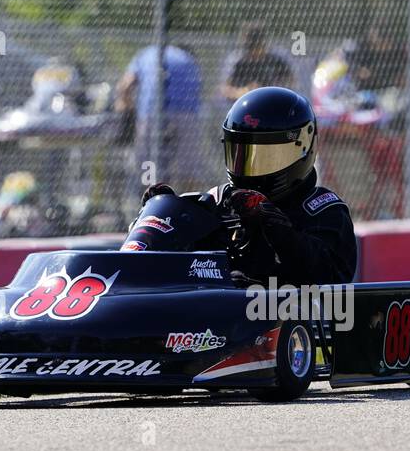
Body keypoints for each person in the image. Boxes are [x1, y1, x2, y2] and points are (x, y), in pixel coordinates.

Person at [141, 86, 356, 286]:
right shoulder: (221, 201)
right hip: (211, 315)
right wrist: (164, 217)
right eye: (242, 156)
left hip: (281, 316)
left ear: (303, 148)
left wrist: (277, 229)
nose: (251, 170)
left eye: (267, 158)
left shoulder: (322, 210)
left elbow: (328, 280)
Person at [115, 42, 201, 195]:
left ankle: (148, 206)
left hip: (151, 112)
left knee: (148, 165)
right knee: (187, 167)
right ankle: (190, 207)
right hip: (187, 114)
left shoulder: (144, 55)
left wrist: (128, 110)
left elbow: (125, 87)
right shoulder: (185, 57)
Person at [218, 23, 295, 101]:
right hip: (245, 106)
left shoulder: (275, 59)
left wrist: (271, 89)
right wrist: (245, 92)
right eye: (250, 49)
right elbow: (225, 90)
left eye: (258, 48)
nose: (254, 54)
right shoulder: (238, 60)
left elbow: (291, 81)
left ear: (264, 44)